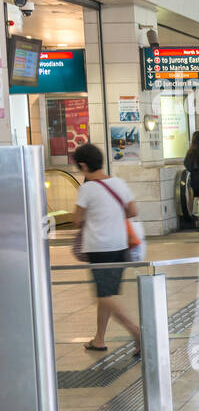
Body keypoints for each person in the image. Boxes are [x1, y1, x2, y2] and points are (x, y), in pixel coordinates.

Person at [72, 143, 142, 355]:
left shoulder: (86, 189)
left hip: (99, 249)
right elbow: (132, 211)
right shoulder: (119, 183)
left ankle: (136, 332)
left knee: (103, 296)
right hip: (121, 246)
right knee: (107, 293)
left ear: (84, 165)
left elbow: (76, 220)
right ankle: (99, 339)